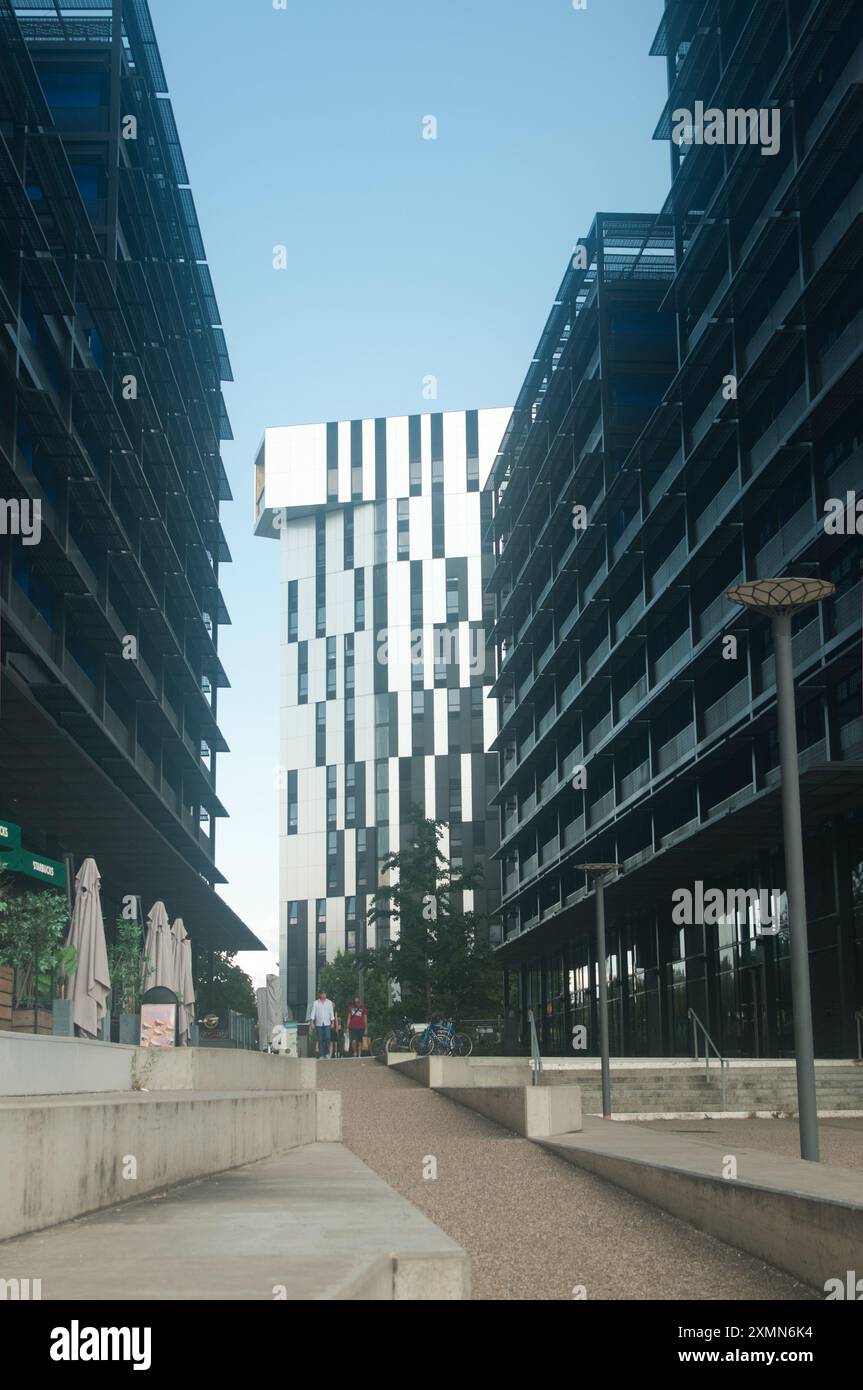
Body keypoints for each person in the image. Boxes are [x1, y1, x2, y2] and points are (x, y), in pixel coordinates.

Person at [309, 989, 335, 1061]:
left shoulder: (329, 1002)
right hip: (319, 1023)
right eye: (322, 994)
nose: (324, 995)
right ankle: (321, 1054)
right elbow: (313, 1013)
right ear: (319, 995)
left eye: (325, 994)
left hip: (327, 1023)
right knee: (320, 1039)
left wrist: (333, 1022)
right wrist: (312, 1022)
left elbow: (331, 1013)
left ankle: (327, 1053)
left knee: (327, 1038)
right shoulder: (316, 1003)